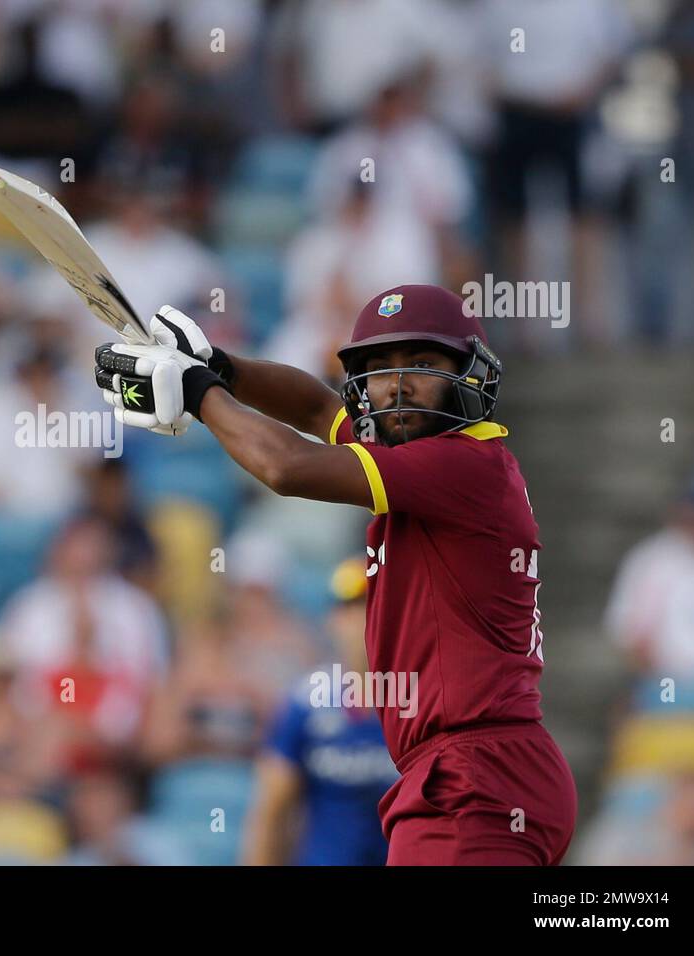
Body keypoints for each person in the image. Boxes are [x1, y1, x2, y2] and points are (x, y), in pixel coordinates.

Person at [96, 284, 577, 865]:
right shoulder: (438, 460)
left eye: (421, 364)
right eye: (379, 369)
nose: (397, 384)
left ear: (467, 374)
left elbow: (286, 465)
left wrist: (199, 393)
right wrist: (219, 363)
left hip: (472, 777)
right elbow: (319, 410)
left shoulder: (459, 461)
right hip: (482, 772)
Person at [241, 557, 397, 865]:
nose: (365, 618)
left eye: (377, 603)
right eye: (352, 606)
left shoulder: (425, 706)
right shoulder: (306, 703)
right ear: (333, 619)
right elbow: (271, 814)